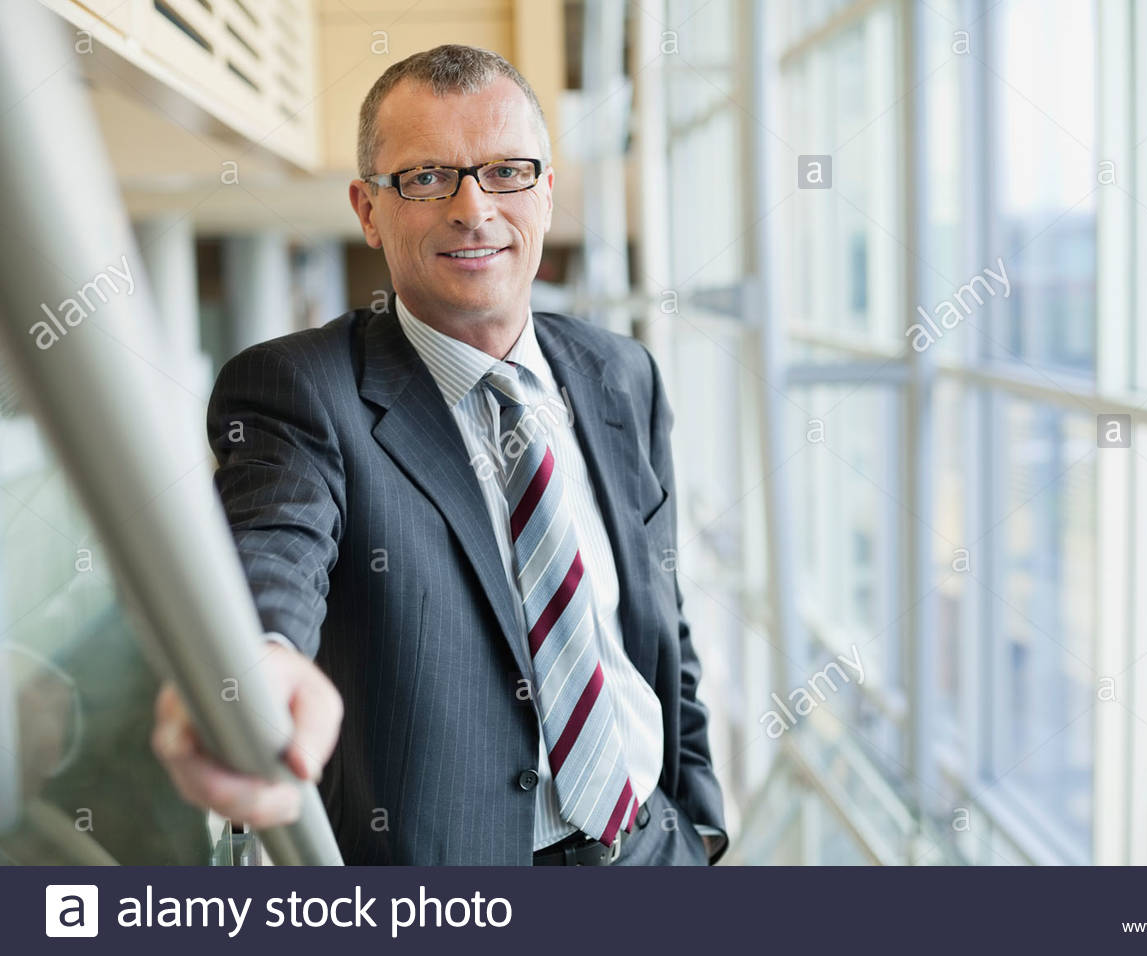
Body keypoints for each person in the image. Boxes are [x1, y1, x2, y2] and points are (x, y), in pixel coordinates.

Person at [151, 44, 727, 866]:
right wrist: (258, 664)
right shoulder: (298, 393)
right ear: (367, 209)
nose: (474, 208)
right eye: (426, 178)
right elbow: (271, 550)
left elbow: (659, 621)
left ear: (548, 188)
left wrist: (700, 826)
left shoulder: (621, 376)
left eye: (507, 171)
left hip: (653, 850)